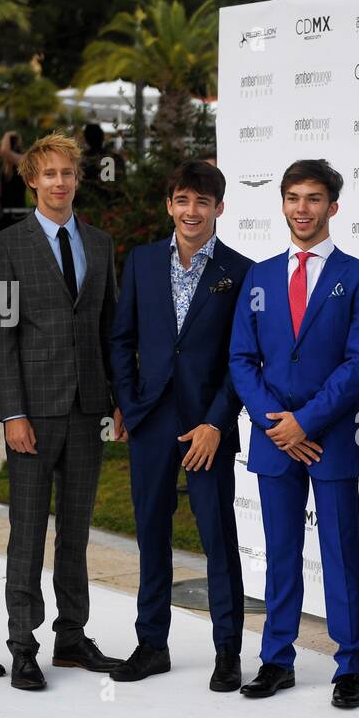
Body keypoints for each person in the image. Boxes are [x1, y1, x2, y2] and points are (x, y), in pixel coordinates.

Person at [228, 159, 359, 708]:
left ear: (332, 206)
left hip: (332, 436)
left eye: (314, 198)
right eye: (293, 197)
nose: (302, 208)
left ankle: (350, 665)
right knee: (280, 552)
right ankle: (276, 659)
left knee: (341, 553)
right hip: (274, 441)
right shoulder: (260, 276)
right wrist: (278, 426)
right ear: (283, 204)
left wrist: (306, 422)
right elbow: (241, 359)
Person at [0, 132, 125, 691]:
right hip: (34, 414)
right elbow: (1, 336)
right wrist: (11, 413)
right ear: (31, 181)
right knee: (27, 533)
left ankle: (71, 637)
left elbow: (111, 327)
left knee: (76, 530)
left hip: (89, 408)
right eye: (49, 175)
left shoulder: (100, 242)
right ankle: (23, 645)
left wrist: (117, 400)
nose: (60, 183)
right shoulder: (7, 246)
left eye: (67, 173)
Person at [109, 159, 252, 689]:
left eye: (203, 202)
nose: (192, 211)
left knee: (217, 536)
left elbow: (244, 357)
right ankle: (151, 644)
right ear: (169, 204)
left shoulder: (239, 271)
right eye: (183, 200)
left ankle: (228, 651)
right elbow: (122, 339)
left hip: (206, 427)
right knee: (151, 533)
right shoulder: (143, 262)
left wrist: (217, 422)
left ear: (219, 208)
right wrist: (128, 400)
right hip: (150, 420)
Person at [0, 132, 27, 234]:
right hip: (4, 214)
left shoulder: (23, 160)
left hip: (17, 213)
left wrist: (8, 134)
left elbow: (4, 151)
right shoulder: (4, 166)